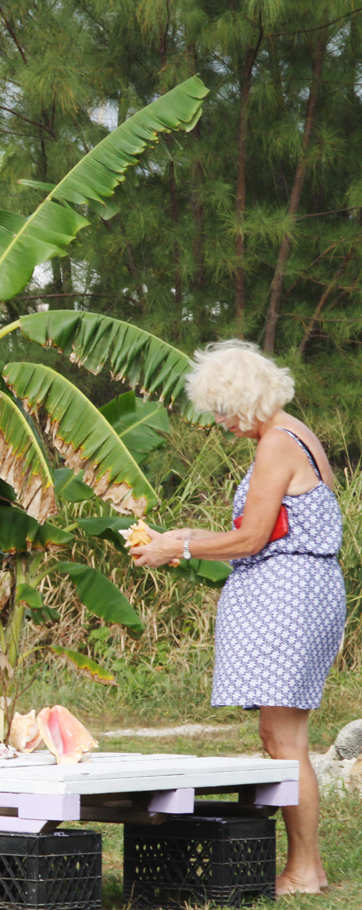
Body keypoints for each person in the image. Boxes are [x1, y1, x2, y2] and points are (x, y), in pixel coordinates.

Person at [130, 340, 343, 896]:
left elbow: (251, 538)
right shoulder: (294, 432)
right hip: (301, 591)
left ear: (244, 400)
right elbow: (271, 530)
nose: (220, 422)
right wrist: (183, 538)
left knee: (285, 740)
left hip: (290, 597)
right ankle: (304, 867)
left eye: (222, 409)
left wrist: (178, 548)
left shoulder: (276, 443)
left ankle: (305, 869)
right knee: (280, 734)